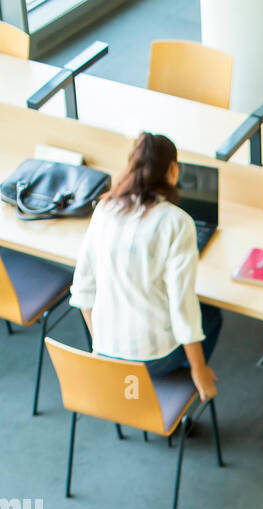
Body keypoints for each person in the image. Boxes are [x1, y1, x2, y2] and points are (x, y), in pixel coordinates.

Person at [70, 132, 220, 402]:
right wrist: (200, 369)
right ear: (173, 171)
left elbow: (82, 289)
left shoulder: (105, 209)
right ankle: (183, 386)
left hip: (105, 352)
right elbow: (182, 306)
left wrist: (101, 348)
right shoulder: (177, 222)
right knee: (211, 316)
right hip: (153, 357)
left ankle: (137, 394)